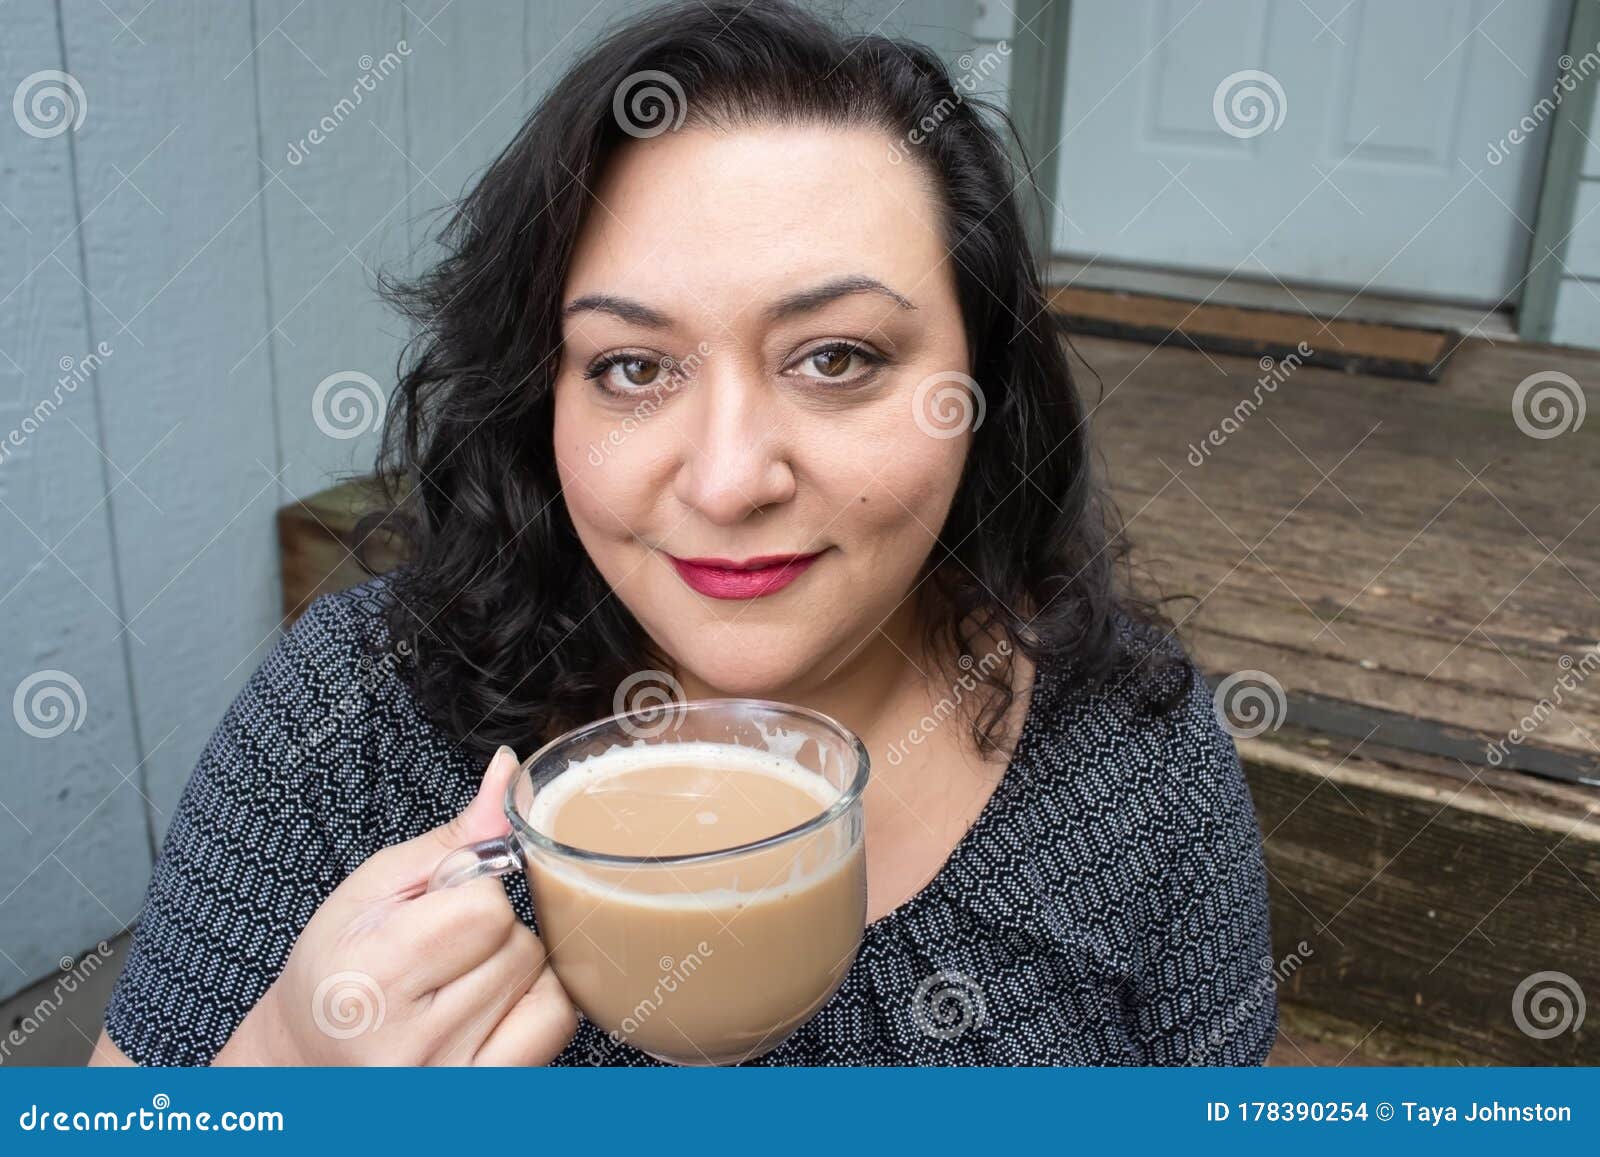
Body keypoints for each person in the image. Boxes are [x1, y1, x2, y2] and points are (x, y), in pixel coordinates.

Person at [91, 0, 1276, 1067]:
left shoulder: (1135, 763)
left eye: (835, 357)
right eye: (632, 366)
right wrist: (287, 1066)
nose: (726, 480)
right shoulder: (348, 721)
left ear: (983, 386)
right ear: (538, 395)